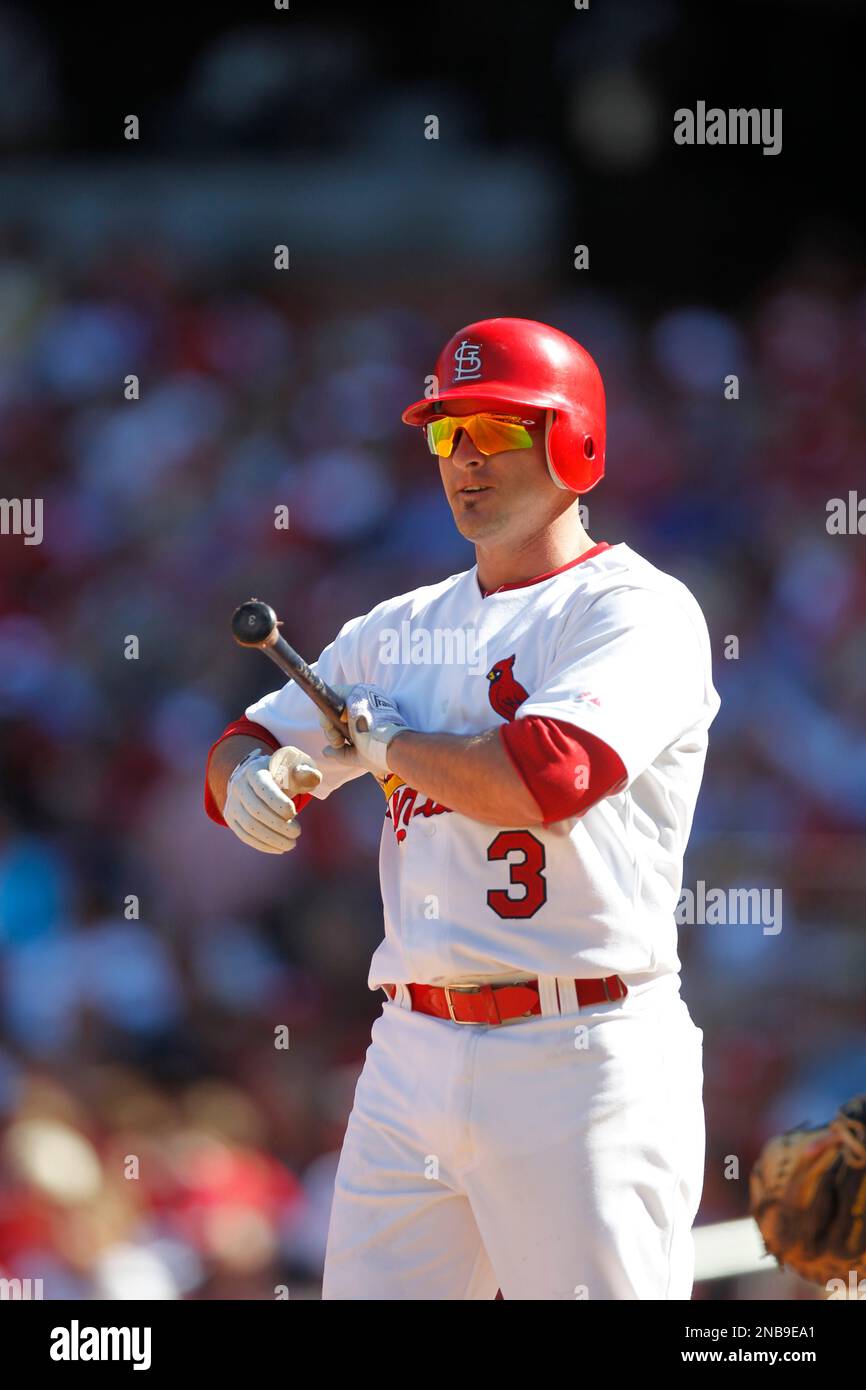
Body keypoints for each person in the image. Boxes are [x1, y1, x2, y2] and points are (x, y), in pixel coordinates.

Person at [205, 317, 720, 1300]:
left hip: (581, 1054)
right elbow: (248, 736)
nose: (463, 460)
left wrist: (387, 743)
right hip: (410, 1044)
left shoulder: (633, 609)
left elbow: (547, 774)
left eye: (494, 430)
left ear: (571, 440)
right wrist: (245, 781)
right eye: (446, 434)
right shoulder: (401, 626)